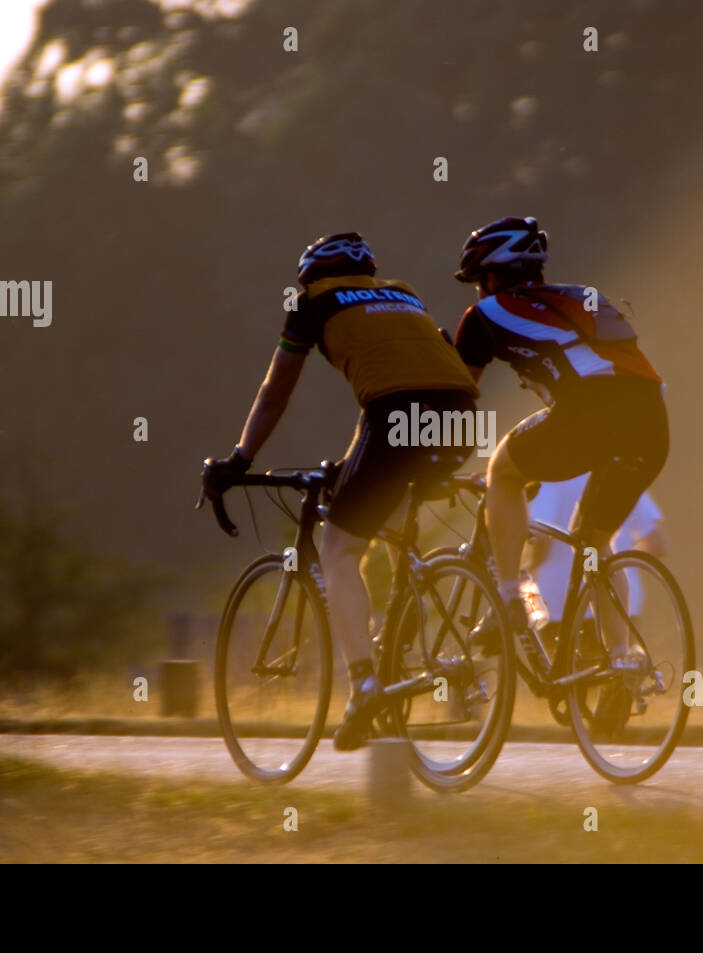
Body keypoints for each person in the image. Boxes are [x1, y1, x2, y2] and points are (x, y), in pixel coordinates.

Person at [203, 232, 480, 750]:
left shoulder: (312, 304)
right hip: (462, 416)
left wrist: (239, 459)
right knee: (391, 521)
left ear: (309, 276)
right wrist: (355, 464)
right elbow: (415, 373)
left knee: (337, 549)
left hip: (396, 415)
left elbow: (275, 391)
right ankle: (401, 635)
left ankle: (365, 686)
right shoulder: (402, 292)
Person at [451, 216, 669, 673]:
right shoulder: (585, 297)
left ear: (491, 276)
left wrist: (435, 463)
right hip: (651, 419)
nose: (479, 291)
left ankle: (509, 600)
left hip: (590, 414)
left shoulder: (483, 316)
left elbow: (457, 400)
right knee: (592, 541)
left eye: (479, 281)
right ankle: (621, 662)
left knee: (503, 472)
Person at [526, 475, 667, 632]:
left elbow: (540, 539)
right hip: (620, 603)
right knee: (621, 654)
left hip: (561, 604)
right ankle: (620, 653)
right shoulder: (620, 472)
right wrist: (613, 569)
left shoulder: (550, 478)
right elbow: (656, 543)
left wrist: (522, 572)